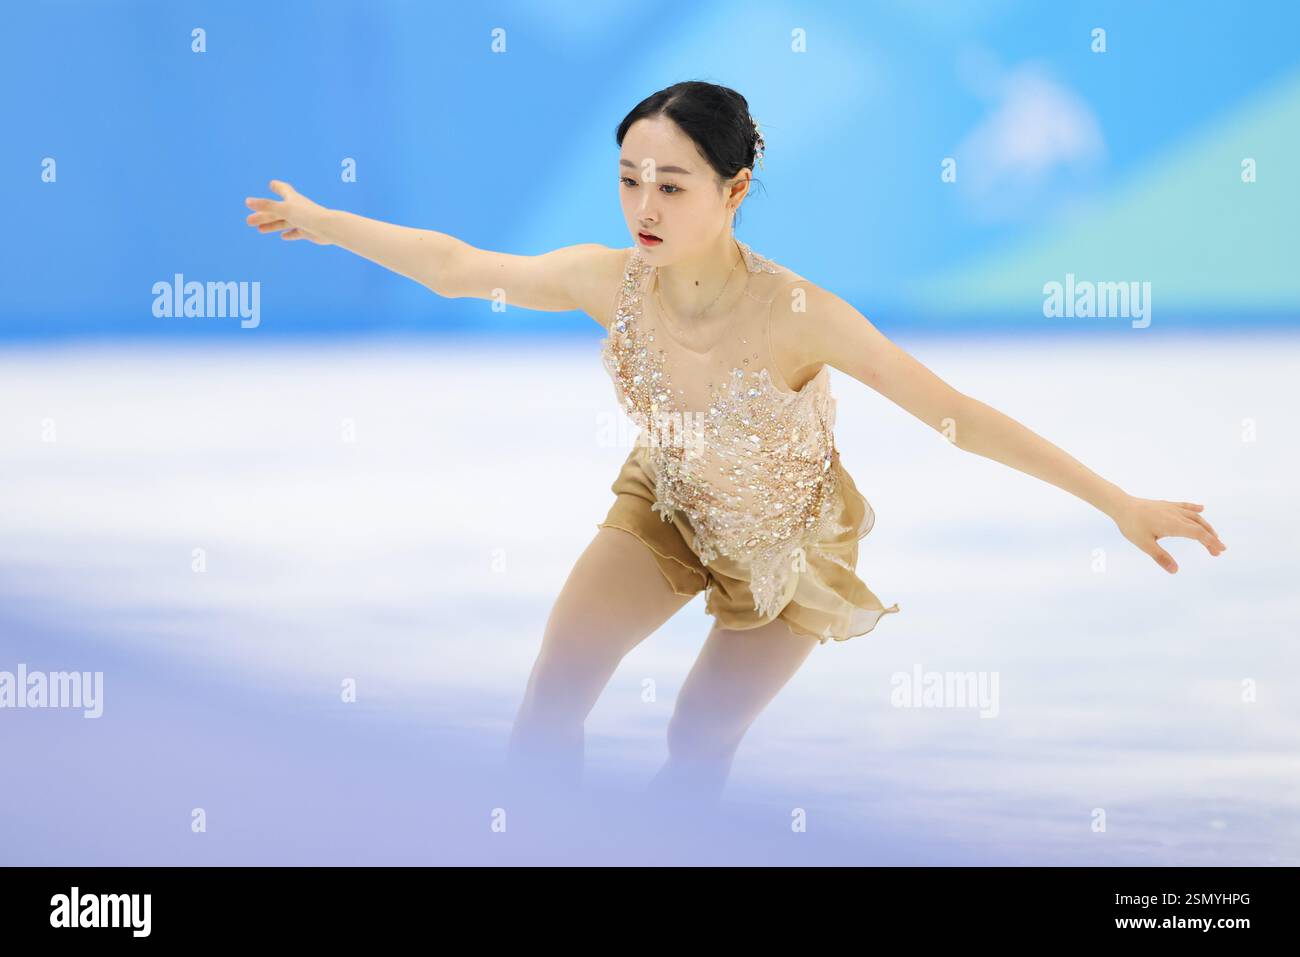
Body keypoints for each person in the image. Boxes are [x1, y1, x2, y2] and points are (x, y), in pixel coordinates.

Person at [244, 80, 1226, 806]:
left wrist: (1117, 503)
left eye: (671, 186)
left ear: (735, 188)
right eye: (629, 181)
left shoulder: (802, 314)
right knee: (551, 697)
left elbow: (955, 415)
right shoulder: (605, 279)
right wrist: (326, 223)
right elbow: (460, 269)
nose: (643, 208)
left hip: (789, 549)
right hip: (665, 505)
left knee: (694, 740)